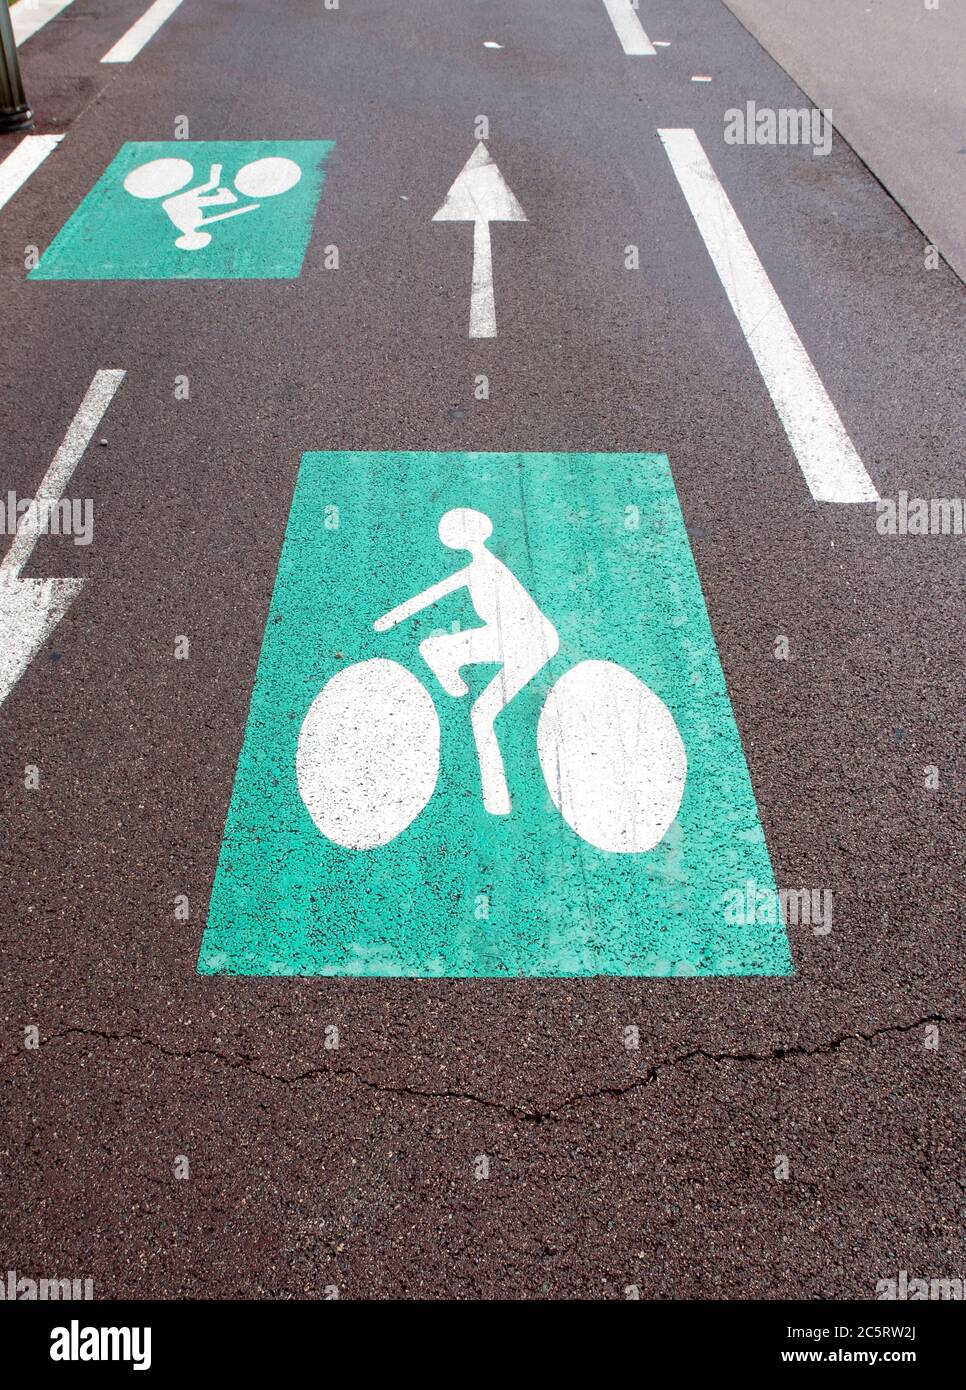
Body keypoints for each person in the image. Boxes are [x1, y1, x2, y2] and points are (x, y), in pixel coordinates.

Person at [374, 508, 559, 815]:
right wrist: (390, 619)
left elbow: (430, 595)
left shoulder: (483, 569)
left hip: (525, 638)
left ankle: (447, 669)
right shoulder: (482, 567)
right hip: (528, 638)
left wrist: (389, 620)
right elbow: (432, 594)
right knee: (481, 712)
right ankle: (497, 799)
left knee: (437, 653)